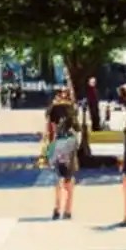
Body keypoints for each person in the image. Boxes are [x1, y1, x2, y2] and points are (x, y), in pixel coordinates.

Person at [46, 86, 80, 220]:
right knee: (69, 178)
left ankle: (57, 208)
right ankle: (68, 210)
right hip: (70, 142)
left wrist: (49, 148)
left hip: (59, 143)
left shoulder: (53, 109)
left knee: (59, 177)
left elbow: (51, 129)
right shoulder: (71, 108)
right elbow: (77, 128)